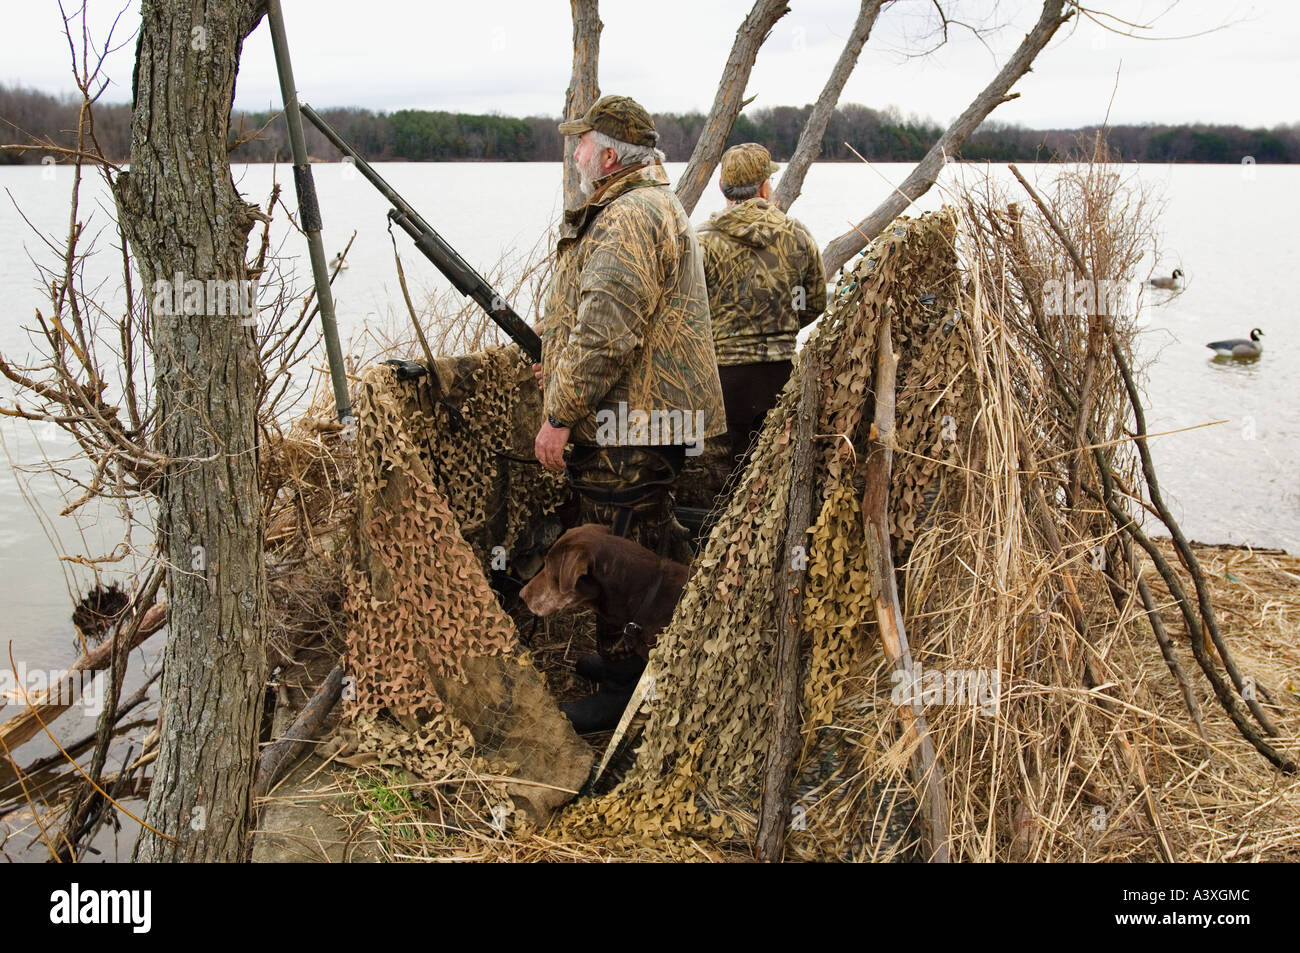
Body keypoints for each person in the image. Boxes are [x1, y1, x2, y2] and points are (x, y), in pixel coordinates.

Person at [532, 94, 725, 732]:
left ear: (609, 155)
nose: (577, 151)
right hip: (639, 419)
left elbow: (607, 331)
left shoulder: (629, 215)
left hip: (631, 425)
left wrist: (559, 412)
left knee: (622, 551)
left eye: (583, 142)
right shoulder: (639, 206)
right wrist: (556, 360)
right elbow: (598, 324)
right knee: (637, 538)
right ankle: (626, 668)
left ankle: (631, 690)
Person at [697, 143, 826, 470]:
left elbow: (686, 312)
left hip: (722, 378)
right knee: (772, 475)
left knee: (724, 479)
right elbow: (814, 302)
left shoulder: (700, 240)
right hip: (779, 374)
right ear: (765, 187)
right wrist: (783, 322)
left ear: (722, 187)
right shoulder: (797, 235)